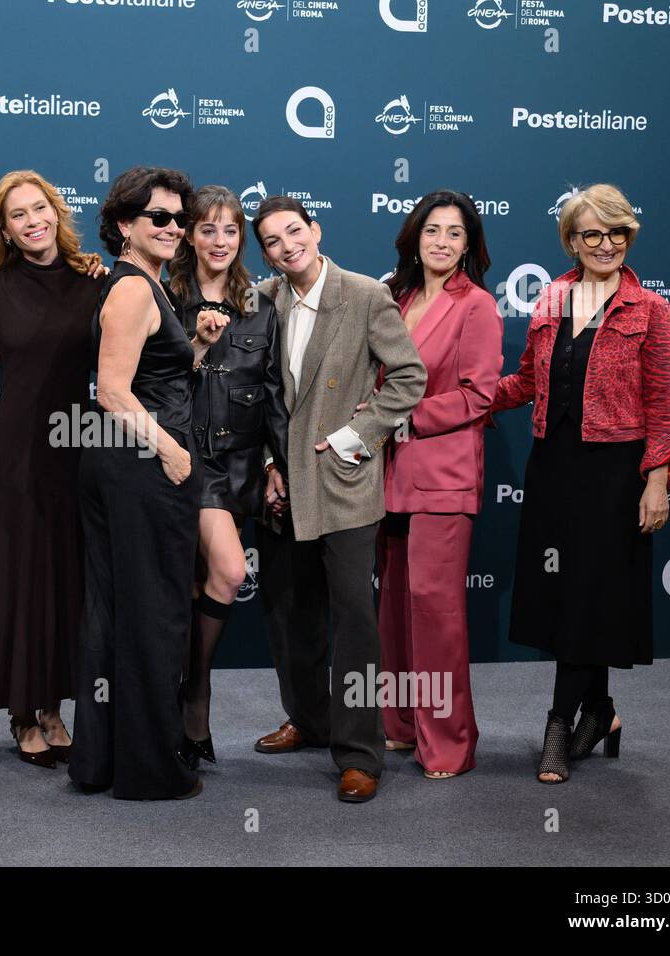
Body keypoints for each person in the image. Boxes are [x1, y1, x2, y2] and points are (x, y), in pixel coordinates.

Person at [490, 183, 670, 784]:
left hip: (614, 474)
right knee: (573, 599)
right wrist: (470, 399)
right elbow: (525, 381)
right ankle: (600, 712)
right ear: (571, 240)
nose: (605, 244)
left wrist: (658, 482)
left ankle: (557, 726)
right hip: (553, 470)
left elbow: (662, 405)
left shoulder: (651, 309)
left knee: (587, 595)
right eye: (592, 233)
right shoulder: (550, 298)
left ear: (630, 236)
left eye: (617, 232)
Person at [250, 196, 426, 803]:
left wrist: (361, 434)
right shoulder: (262, 300)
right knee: (290, 615)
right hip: (281, 487)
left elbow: (409, 375)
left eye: (293, 232)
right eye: (271, 241)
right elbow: (257, 394)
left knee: (354, 622)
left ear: (315, 229)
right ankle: (309, 719)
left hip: (343, 485)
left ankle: (359, 754)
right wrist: (269, 463)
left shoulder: (364, 294)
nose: (285, 246)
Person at [69, 166, 227, 801]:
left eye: (177, 218)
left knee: (118, 611)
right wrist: (172, 453)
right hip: (143, 464)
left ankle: (104, 761)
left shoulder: (142, 287)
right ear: (124, 227)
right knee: (153, 615)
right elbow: (112, 390)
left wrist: (195, 347)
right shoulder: (134, 289)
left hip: (122, 463)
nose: (172, 227)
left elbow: (149, 375)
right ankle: (149, 770)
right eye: (157, 217)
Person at [0, 171, 105, 769]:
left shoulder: (95, 280)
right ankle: (24, 713)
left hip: (79, 450)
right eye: (18, 215)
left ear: (57, 210)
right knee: (22, 580)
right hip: (17, 452)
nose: (33, 222)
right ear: (4, 229)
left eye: (40, 209)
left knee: (65, 581)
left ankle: (54, 710)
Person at [378, 189, 503, 779]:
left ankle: (450, 742)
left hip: (443, 477)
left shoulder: (476, 305)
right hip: (389, 476)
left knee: (436, 612)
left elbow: (479, 394)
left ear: (469, 245)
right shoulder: (396, 299)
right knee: (396, 608)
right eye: (433, 230)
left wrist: (407, 417)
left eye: (455, 233)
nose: (442, 242)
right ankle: (402, 726)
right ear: (415, 237)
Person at [167, 185, 286, 769]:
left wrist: (272, 464)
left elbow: (271, 395)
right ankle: (196, 693)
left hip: (240, 468)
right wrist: (196, 343)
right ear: (189, 234)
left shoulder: (260, 304)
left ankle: (181, 693)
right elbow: (151, 386)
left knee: (200, 583)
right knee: (231, 569)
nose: (219, 241)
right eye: (207, 229)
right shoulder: (165, 294)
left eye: (230, 230)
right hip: (184, 463)